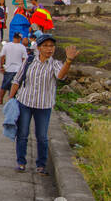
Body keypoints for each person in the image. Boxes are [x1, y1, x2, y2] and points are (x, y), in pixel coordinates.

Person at [9, 34, 78, 174]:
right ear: (39, 48)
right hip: (25, 102)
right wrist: (11, 99)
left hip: (43, 106)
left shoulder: (55, 64)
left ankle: (41, 165)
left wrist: (69, 61)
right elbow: (17, 80)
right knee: (22, 134)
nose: (49, 49)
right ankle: (21, 162)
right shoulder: (29, 61)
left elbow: (60, 76)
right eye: (45, 46)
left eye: (51, 46)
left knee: (42, 136)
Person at [0, 31, 27, 103]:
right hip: (18, 69)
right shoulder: (22, 47)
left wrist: (2, 67)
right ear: (20, 38)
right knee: (16, 85)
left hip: (8, 68)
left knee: (4, 85)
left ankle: (0, 99)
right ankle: (12, 99)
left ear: (13, 37)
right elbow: (24, 59)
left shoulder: (6, 45)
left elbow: (2, 57)